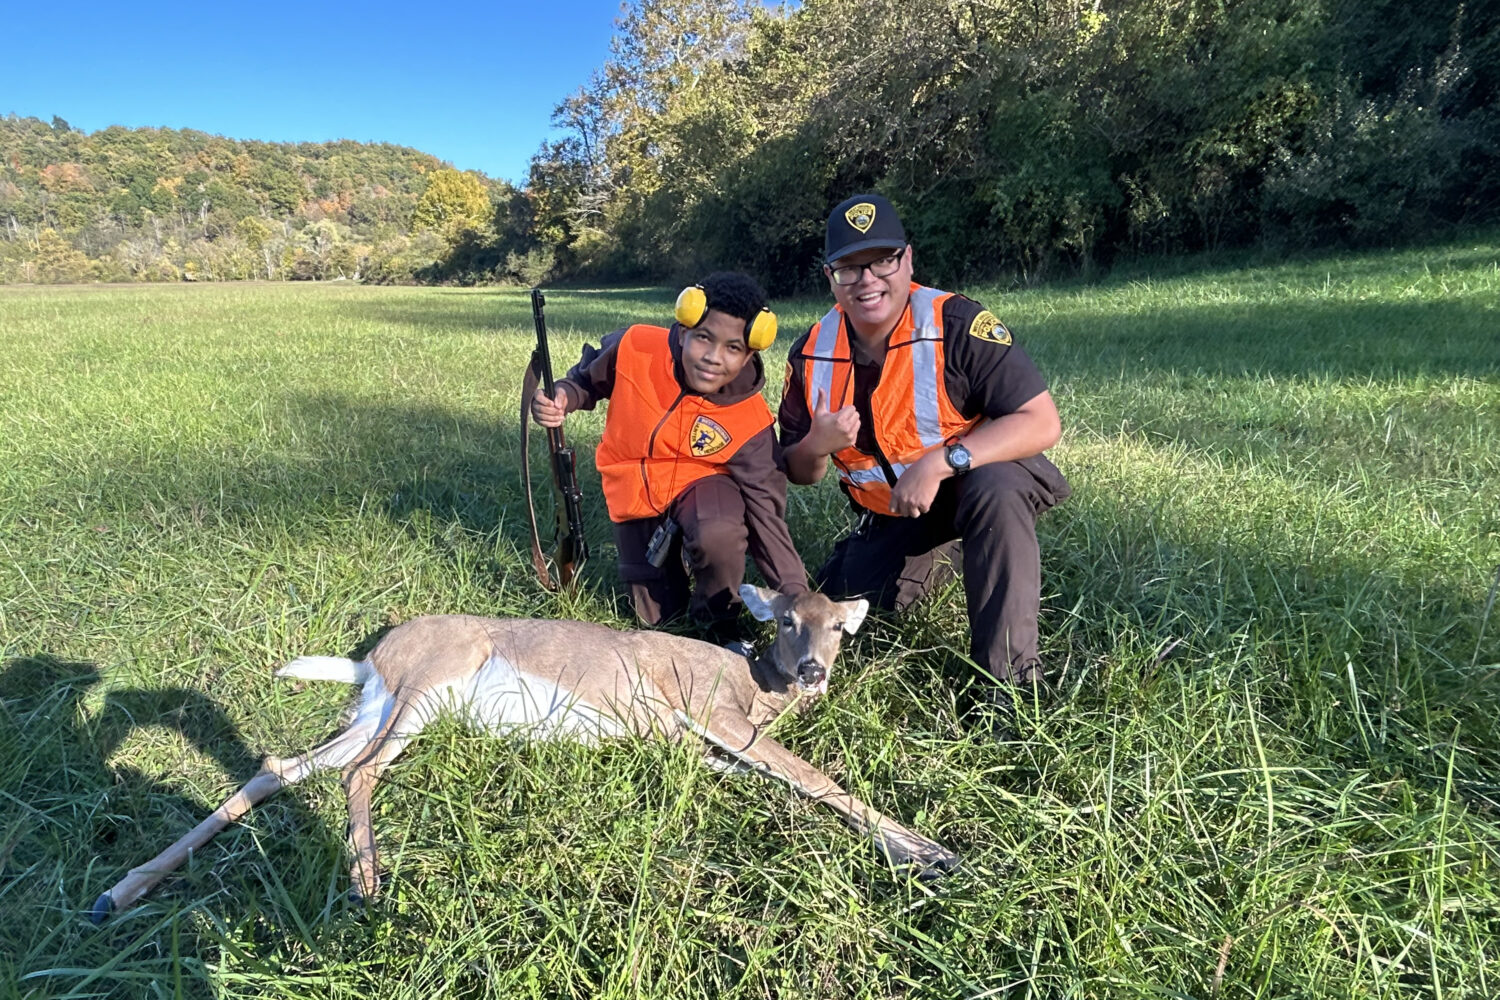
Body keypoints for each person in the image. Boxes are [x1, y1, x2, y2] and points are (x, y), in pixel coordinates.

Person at [778, 193, 1070, 701]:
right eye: (849, 268)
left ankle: (1009, 688)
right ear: (830, 278)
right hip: (894, 514)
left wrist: (941, 462)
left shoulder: (956, 324)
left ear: (907, 259)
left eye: (883, 260)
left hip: (975, 484)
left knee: (995, 488)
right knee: (846, 609)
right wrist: (818, 445)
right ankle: (952, 552)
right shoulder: (809, 353)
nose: (868, 280)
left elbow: (1042, 422)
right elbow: (799, 472)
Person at [532, 271, 808, 641]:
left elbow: (766, 515)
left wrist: (796, 593)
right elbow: (585, 380)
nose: (713, 358)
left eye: (733, 348)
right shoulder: (636, 347)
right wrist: (563, 396)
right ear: (682, 332)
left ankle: (720, 625)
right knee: (658, 622)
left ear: (749, 356)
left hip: (704, 490)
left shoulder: (751, 421)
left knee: (718, 533)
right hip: (635, 498)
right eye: (704, 338)